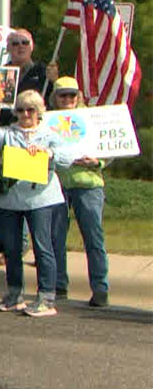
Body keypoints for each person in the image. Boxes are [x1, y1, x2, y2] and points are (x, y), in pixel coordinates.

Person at [0, 90, 74, 317]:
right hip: (10, 198)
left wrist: (47, 153)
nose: (25, 114)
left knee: (43, 247)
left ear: (39, 112)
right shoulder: (7, 133)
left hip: (42, 198)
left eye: (30, 110)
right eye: (20, 110)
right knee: (11, 248)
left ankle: (46, 297)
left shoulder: (49, 134)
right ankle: (14, 294)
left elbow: (67, 157)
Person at [0, 28, 55, 258]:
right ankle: (3, 240)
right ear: (8, 47)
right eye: (15, 43)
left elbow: (52, 108)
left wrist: (54, 81)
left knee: (20, 194)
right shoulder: (0, 74)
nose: (20, 46)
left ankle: (18, 247)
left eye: (24, 42)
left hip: (27, 142)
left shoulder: (43, 73)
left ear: (32, 45)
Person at [49, 77, 110, 307]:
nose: (67, 100)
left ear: (79, 96)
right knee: (55, 236)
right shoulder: (46, 119)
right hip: (56, 183)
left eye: (72, 95)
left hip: (89, 184)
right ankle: (58, 284)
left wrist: (98, 161)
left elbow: (110, 145)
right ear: (54, 97)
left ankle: (100, 288)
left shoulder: (92, 119)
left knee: (94, 238)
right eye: (62, 95)